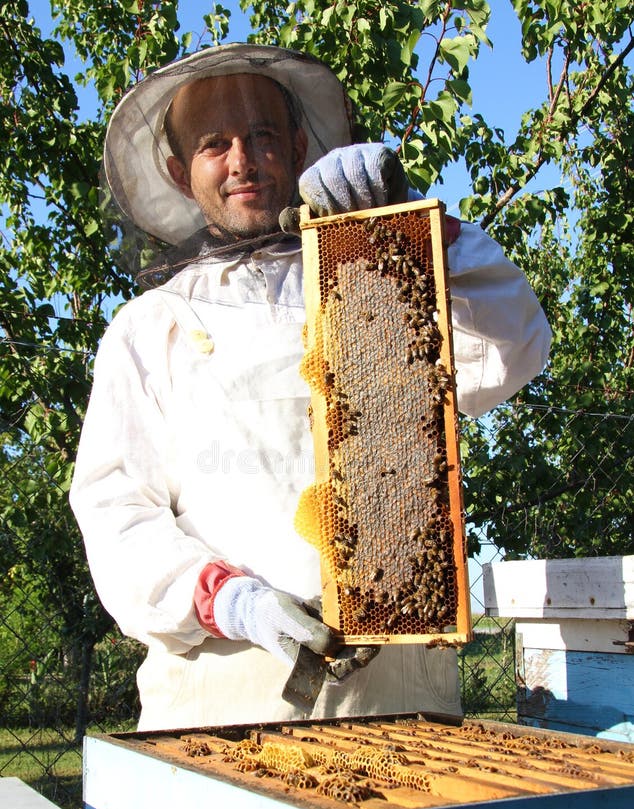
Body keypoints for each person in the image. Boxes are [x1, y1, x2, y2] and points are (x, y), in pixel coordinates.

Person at [70, 44, 551, 730]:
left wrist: (413, 226)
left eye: (263, 135)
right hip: (225, 695)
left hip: (403, 692)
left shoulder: (377, 278)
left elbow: (517, 345)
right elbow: (116, 512)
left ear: (297, 147)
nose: (243, 159)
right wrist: (227, 600)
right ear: (180, 172)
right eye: (215, 144)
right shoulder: (152, 327)